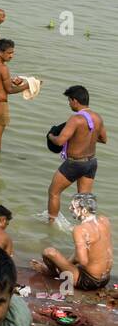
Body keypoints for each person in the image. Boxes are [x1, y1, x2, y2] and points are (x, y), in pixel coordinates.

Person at [47, 85, 106, 225]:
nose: (69, 104)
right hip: (91, 163)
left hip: (75, 163)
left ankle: (51, 223)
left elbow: (60, 140)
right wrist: (85, 136)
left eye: (69, 100)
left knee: (54, 192)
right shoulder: (97, 118)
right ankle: (86, 227)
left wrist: (50, 136)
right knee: (83, 199)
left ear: (75, 101)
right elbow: (103, 139)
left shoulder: (75, 119)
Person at [34, 193, 112, 291]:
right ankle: (61, 268)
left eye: (73, 207)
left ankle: (53, 273)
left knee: (48, 252)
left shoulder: (80, 229)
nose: (70, 209)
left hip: (88, 281)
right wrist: (67, 262)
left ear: (84, 210)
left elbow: (82, 260)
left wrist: (63, 263)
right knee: (80, 253)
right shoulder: (104, 220)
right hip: (105, 278)